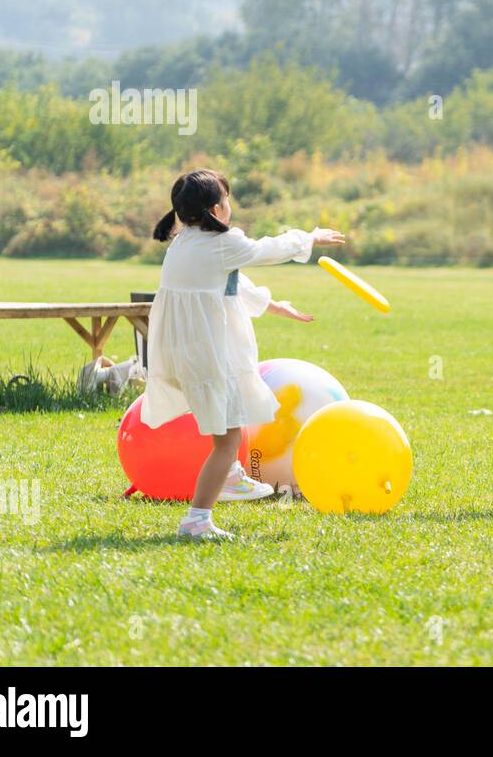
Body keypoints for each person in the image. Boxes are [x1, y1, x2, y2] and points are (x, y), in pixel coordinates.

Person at [144, 168, 345, 539]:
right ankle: (197, 520)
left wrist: (273, 305)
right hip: (206, 352)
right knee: (226, 440)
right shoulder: (223, 242)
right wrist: (311, 236)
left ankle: (233, 476)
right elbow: (268, 249)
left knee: (228, 422)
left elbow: (232, 281)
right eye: (227, 198)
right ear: (217, 209)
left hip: (185, 350)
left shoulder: (185, 242)